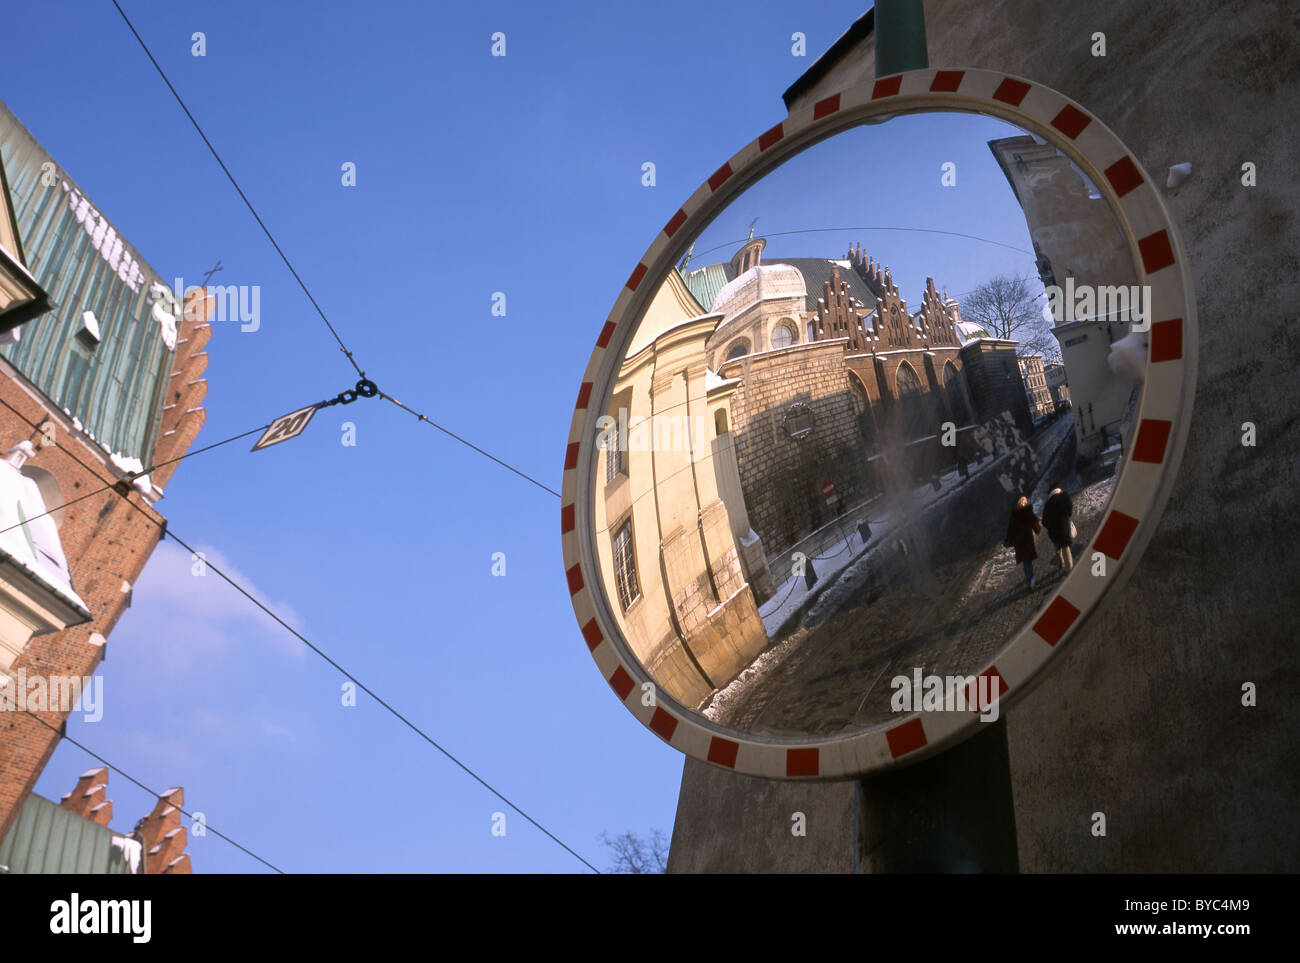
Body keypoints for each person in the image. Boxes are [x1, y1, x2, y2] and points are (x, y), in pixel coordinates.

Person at [1005, 494, 1042, 589]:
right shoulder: (1028, 512)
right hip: (1027, 542)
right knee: (1028, 562)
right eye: (1025, 501)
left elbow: (1010, 530)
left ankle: (1030, 581)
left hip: (1019, 544)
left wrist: (1010, 540)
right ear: (1024, 503)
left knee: (1026, 563)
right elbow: (1037, 529)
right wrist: (1037, 524)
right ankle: (1031, 583)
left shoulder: (1014, 515)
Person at [1042, 483, 1074, 574]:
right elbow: (1070, 509)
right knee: (1065, 547)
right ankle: (1070, 569)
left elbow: (1044, 522)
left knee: (1057, 546)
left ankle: (1061, 561)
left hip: (1053, 532)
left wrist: (1050, 525)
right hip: (1063, 527)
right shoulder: (1064, 496)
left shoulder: (1047, 504)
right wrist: (1066, 517)